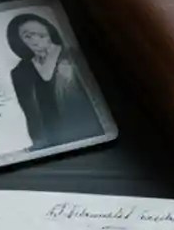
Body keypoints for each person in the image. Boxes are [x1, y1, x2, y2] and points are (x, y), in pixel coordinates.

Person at [6, 13, 104, 149]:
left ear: (50, 33)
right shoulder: (20, 72)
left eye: (41, 35)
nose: (35, 40)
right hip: (50, 145)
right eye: (28, 36)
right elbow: (30, 114)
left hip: (89, 138)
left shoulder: (75, 58)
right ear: (19, 40)